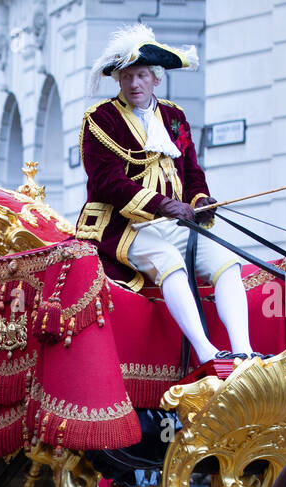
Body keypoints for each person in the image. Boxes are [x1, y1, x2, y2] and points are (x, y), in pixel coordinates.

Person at [78, 23, 254, 364]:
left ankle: (245, 353)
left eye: (141, 75)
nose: (134, 84)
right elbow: (107, 183)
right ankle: (208, 354)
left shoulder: (175, 116)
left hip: (178, 223)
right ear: (118, 80)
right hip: (124, 227)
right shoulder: (100, 120)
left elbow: (191, 172)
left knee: (227, 262)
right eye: (127, 76)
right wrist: (164, 205)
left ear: (156, 78)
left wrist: (200, 202)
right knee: (170, 263)